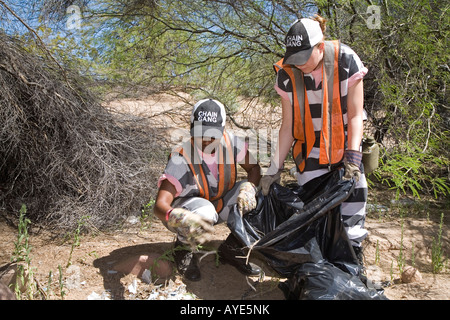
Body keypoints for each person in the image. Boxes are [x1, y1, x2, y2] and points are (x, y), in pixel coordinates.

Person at [260, 15, 369, 262]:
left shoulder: (346, 61)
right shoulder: (287, 75)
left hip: (345, 145)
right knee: (315, 209)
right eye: (294, 59)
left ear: (320, 47)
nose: (299, 65)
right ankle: (320, 264)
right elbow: (287, 127)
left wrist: (352, 158)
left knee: (353, 199)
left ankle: (353, 260)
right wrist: (273, 169)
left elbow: (354, 116)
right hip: (309, 149)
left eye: (304, 58)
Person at [154, 98, 262, 281]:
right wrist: (176, 216)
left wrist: (249, 188)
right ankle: (183, 249)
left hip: (219, 203)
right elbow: (159, 205)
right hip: (189, 212)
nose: (207, 139)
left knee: (261, 199)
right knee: (205, 211)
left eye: (213, 133)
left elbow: (254, 169)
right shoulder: (181, 157)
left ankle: (233, 249)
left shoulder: (231, 144)